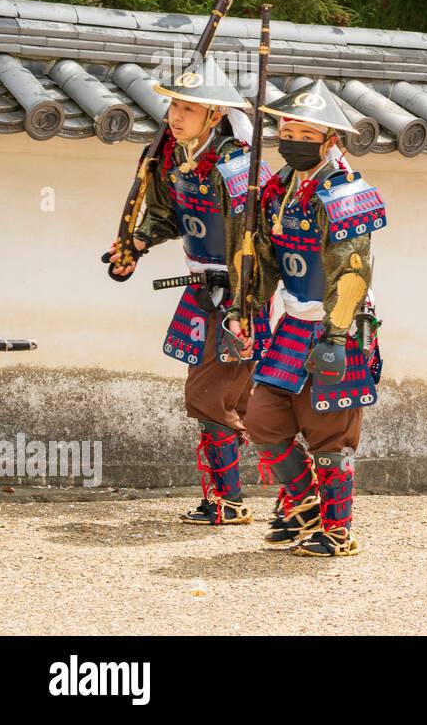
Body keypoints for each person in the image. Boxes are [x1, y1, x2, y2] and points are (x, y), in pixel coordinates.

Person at [228, 80, 386, 557]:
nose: (290, 137)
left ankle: (338, 531)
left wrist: (336, 336)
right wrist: (244, 306)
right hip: (292, 320)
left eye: (302, 131)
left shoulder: (346, 192)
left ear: (330, 139)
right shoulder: (277, 188)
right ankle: (303, 503)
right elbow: (266, 260)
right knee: (263, 417)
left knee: (330, 431)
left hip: (337, 321)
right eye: (284, 127)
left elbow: (352, 272)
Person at [105, 56, 264, 527]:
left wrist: (241, 306)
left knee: (209, 395)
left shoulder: (236, 166)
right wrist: (137, 242)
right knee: (222, 398)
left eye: (188, 108)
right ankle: (230, 497)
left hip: (237, 297)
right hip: (201, 290)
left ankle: (232, 500)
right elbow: (167, 216)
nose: (175, 116)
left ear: (215, 115)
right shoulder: (173, 156)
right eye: (174, 105)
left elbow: (251, 244)